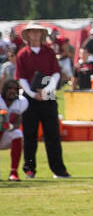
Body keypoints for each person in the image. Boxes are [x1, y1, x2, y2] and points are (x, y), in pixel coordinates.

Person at [15, 22, 70, 179]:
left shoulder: (49, 52)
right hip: (30, 100)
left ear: (42, 34)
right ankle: (29, 169)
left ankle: (58, 170)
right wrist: (33, 94)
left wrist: (46, 91)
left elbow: (56, 74)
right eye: (32, 32)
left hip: (49, 97)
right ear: (28, 35)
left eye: (38, 32)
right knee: (30, 136)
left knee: (53, 135)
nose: (35, 35)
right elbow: (21, 78)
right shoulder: (22, 54)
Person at [2, 78, 28, 181]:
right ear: (4, 90)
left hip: (4, 136)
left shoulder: (21, 102)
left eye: (15, 89)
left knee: (17, 133)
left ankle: (13, 172)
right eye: (9, 88)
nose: (12, 91)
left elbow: (17, 123)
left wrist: (10, 126)